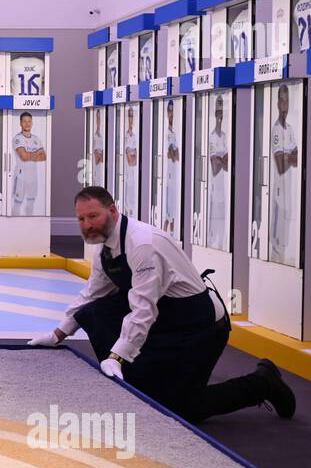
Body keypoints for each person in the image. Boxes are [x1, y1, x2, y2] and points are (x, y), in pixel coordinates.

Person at [29, 186, 295, 423]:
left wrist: (116, 356)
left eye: (93, 216)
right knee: (93, 312)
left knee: (183, 408)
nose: (87, 225)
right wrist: (57, 334)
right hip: (165, 321)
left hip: (199, 328)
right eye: (81, 219)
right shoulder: (105, 249)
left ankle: (263, 383)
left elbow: (144, 308)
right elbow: (92, 294)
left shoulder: (142, 244)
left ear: (112, 210)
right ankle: (137, 384)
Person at [270, 84, 299, 263]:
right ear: (277, 103)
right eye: (282, 100)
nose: (284, 104)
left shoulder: (290, 130)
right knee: (278, 243)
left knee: (286, 239)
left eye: (287, 101)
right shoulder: (276, 130)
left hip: (289, 194)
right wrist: (290, 157)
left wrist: (287, 156)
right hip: (279, 194)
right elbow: (281, 165)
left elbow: (297, 159)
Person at [206, 95, 229, 250]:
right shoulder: (211, 137)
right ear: (215, 114)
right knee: (215, 221)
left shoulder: (226, 137)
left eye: (222, 111)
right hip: (215, 189)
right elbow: (215, 166)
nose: (220, 115)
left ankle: (222, 242)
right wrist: (222, 159)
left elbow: (227, 163)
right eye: (218, 111)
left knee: (223, 222)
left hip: (225, 187)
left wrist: (221, 160)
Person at [11, 112, 44, 216]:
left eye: (29, 121)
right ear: (20, 123)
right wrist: (35, 154)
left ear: (32, 123)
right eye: (24, 121)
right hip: (21, 177)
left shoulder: (36, 139)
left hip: (33, 177)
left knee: (31, 203)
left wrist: (29, 154)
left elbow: (43, 156)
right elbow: (23, 157)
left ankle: (29, 227)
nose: (27, 124)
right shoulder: (17, 138)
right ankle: (14, 226)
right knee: (17, 204)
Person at [163, 99, 180, 235]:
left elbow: (177, 156)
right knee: (167, 207)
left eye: (173, 111)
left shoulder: (175, 133)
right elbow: (170, 154)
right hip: (166, 175)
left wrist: (173, 153)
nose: (171, 114)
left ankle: (172, 234)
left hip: (174, 175)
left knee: (173, 206)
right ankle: (164, 232)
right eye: (169, 111)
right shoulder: (165, 133)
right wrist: (173, 153)